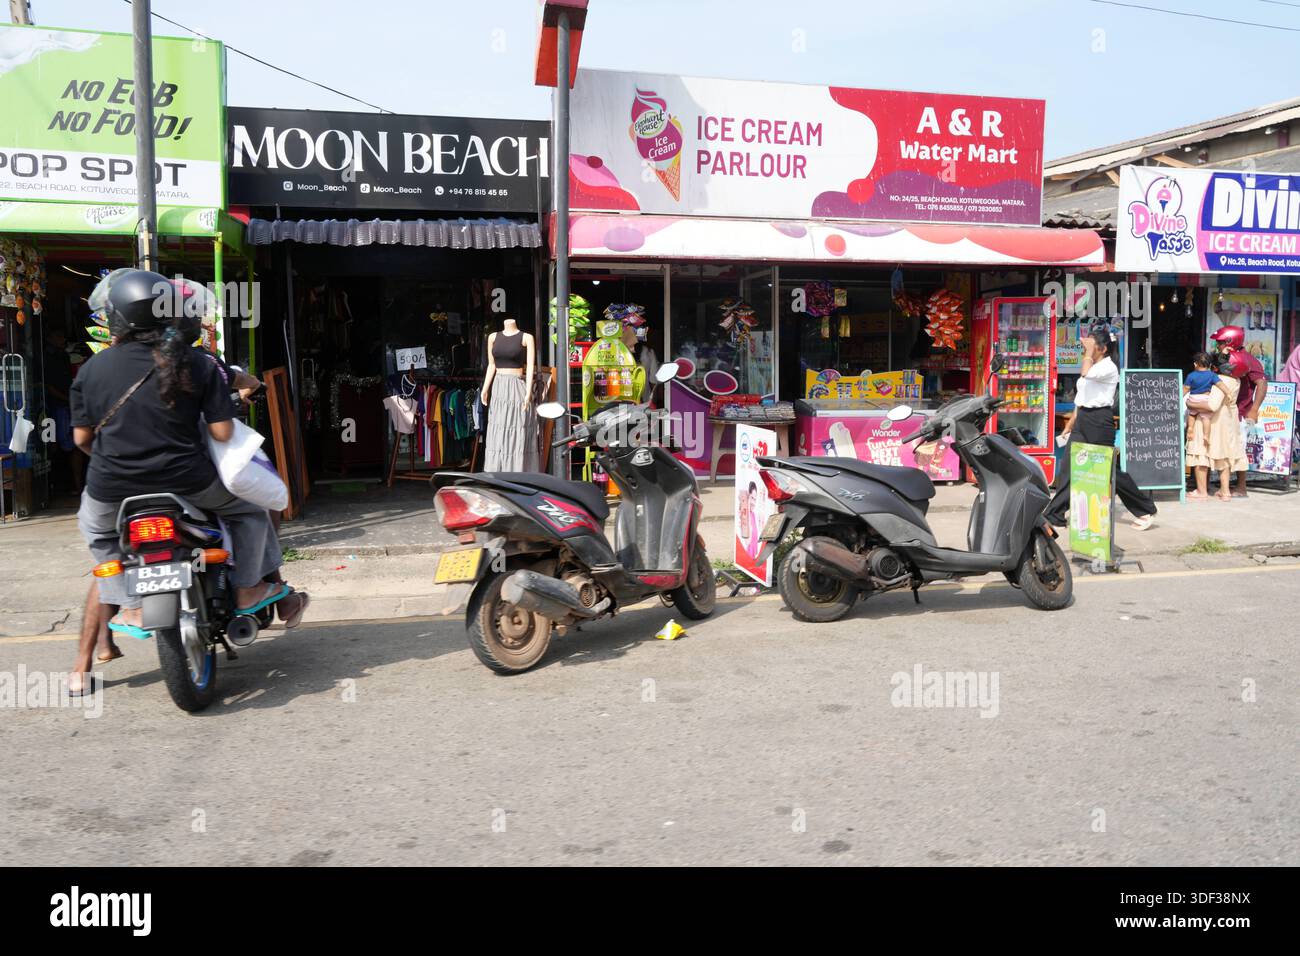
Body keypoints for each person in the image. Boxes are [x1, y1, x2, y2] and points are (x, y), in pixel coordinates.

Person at [66, 269, 306, 695]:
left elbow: (82, 439)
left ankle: (133, 609)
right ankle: (249, 589)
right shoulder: (197, 362)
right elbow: (221, 435)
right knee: (251, 512)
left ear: (116, 318)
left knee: (100, 537)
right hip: (188, 482)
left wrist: (111, 462)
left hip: (110, 487)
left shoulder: (93, 369)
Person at [1046, 324, 1158, 532]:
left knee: (1107, 471)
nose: (1086, 349)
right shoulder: (1094, 364)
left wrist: (1087, 352)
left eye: (1091, 345)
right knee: (1069, 466)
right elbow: (1082, 399)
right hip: (1083, 420)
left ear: (1103, 348)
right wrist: (1070, 424)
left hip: (1100, 421)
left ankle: (1145, 509)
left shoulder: (1109, 367)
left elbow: (1086, 373)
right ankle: (1056, 513)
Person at [1209, 325, 1266, 497]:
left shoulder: (1247, 360)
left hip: (1239, 411)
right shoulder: (1222, 358)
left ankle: (1241, 487)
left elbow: (1261, 384)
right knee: (1222, 447)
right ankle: (1220, 486)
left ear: (1230, 341)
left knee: (1237, 448)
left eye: (1220, 342)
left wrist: (1254, 409)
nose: (1217, 345)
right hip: (1222, 409)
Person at [1185, 353, 1247, 501]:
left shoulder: (1221, 379)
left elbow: (1212, 405)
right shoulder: (1235, 380)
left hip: (1212, 421)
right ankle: (1225, 491)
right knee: (1223, 455)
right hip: (1227, 421)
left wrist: (1189, 404)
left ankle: (1201, 491)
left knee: (1200, 453)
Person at [42, 325, 84, 496]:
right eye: (58, 336)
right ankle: (58, 486)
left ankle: (76, 485)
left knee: (71, 446)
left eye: (62, 337)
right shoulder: (47, 357)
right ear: (50, 338)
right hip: (56, 405)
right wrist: (68, 399)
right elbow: (49, 386)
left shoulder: (64, 356)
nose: (63, 340)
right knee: (57, 446)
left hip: (65, 404)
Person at [1182, 351, 1222, 443]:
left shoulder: (1191, 376)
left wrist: (1179, 397)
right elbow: (1220, 384)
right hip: (1205, 400)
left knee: (1192, 415)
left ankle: (1190, 428)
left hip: (1193, 399)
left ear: (1195, 364)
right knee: (1206, 418)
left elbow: (1186, 388)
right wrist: (1227, 393)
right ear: (1210, 365)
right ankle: (1206, 435)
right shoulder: (1212, 375)